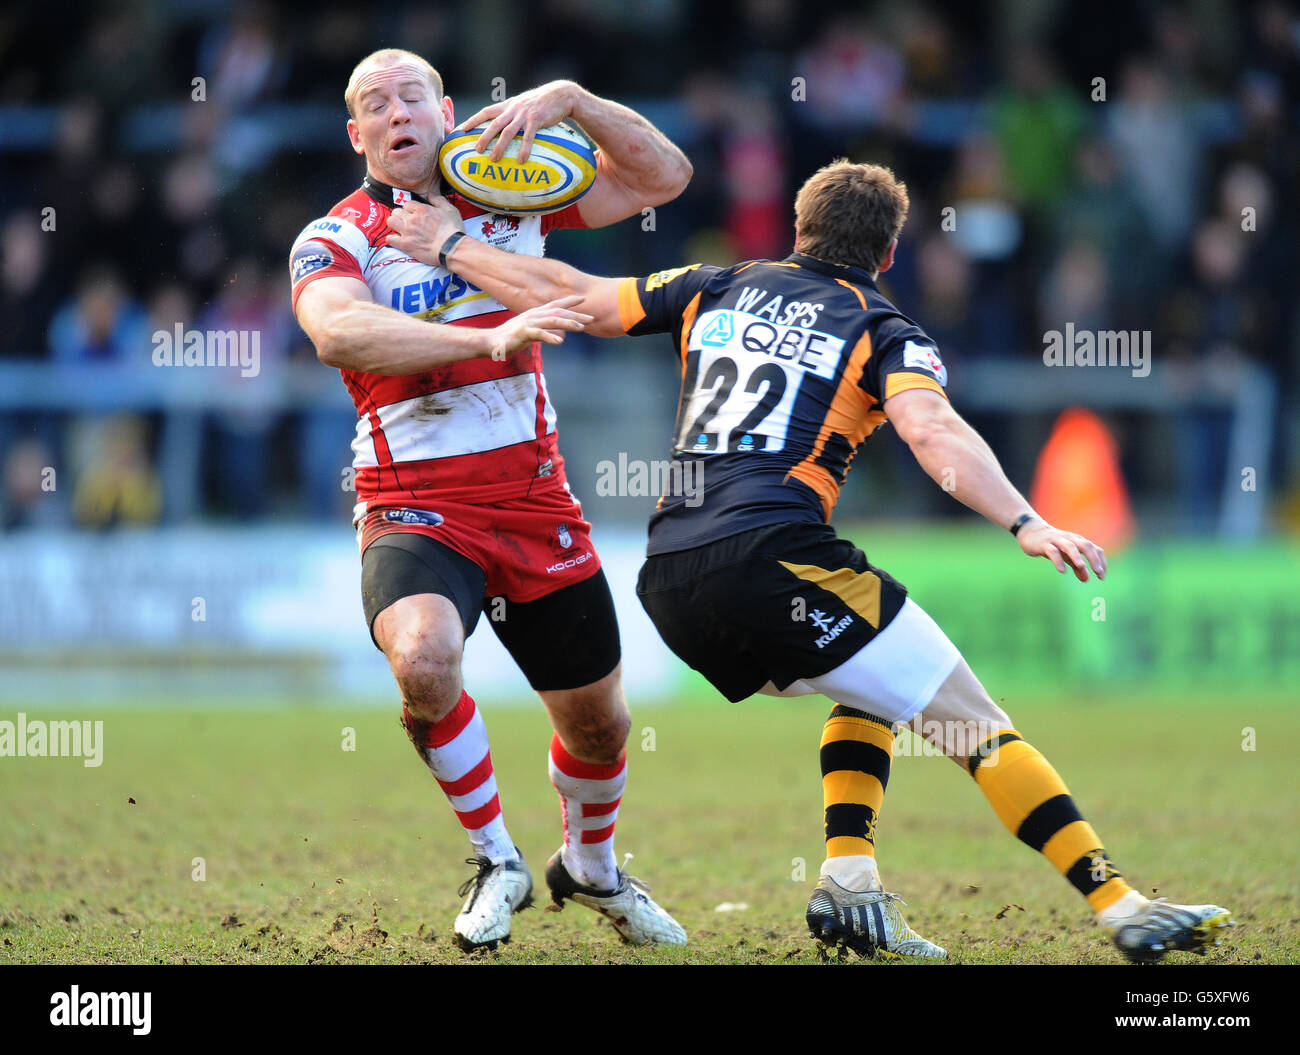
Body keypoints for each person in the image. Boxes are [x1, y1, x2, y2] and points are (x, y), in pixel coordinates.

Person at [384, 158, 1236, 963]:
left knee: (867, 682)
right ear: (889, 252)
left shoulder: (717, 282)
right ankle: (1121, 904)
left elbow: (570, 294)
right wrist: (1023, 521)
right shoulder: (881, 326)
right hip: (775, 553)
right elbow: (933, 432)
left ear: (797, 227)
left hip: (672, 573)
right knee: (976, 726)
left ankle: (848, 881)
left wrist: (453, 247)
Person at [289, 48, 692, 951]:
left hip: (531, 495)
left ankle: (591, 866)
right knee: (425, 658)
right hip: (413, 502)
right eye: (373, 105)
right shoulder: (337, 234)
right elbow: (339, 331)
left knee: (599, 724)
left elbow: (663, 176)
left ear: (448, 111)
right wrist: (491, 335)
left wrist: (577, 97)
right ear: (356, 136)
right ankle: (497, 857)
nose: (396, 113)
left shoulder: (512, 189)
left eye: (412, 96)